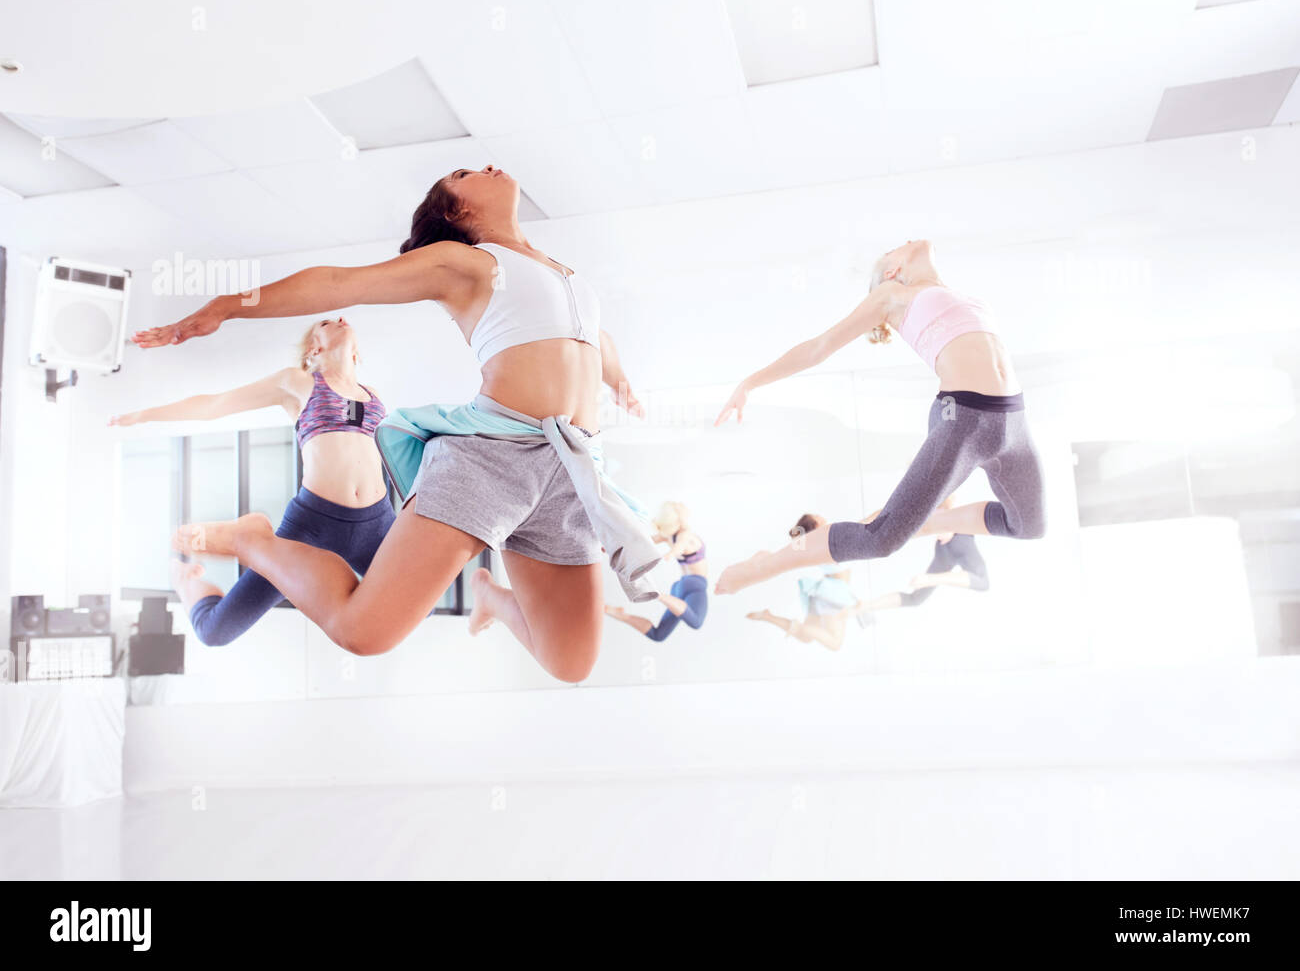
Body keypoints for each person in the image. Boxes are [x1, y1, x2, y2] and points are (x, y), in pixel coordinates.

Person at [133, 164, 657, 683]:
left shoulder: (561, 272)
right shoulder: (466, 263)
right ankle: (253, 542)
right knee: (364, 632)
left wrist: (618, 377)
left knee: (571, 662)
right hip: (492, 457)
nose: (487, 166)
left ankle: (492, 599)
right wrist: (228, 306)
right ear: (458, 210)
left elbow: (591, 337)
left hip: (572, 466)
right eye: (464, 172)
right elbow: (339, 284)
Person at [714, 238, 1044, 595]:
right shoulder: (892, 295)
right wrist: (749, 383)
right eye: (893, 249)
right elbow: (818, 347)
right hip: (962, 419)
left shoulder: (955, 294)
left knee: (1029, 525)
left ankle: (931, 522)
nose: (900, 244)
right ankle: (767, 564)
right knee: (881, 539)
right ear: (892, 271)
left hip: (1014, 422)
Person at [110, 317, 393, 646]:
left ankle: (272, 555)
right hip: (312, 527)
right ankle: (187, 578)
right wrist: (144, 416)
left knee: (417, 607)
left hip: (376, 522)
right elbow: (216, 404)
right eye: (327, 322)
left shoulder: (373, 395)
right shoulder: (299, 382)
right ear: (314, 346)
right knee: (214, 631)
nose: (341, 319)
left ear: (356, 352)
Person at [745, 514, 872, 651]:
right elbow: (862, 524)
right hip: (833, 594)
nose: (824, 517)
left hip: (823, 592)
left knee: (806, 637)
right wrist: (883, 511)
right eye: (819, 517)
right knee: (834, 643)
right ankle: (801, 627)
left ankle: (768, 616)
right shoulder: (830, 543)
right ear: (817, 524)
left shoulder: (815, 549)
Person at [604, 501, 709, 642]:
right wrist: (669, 555)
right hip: (695, 585)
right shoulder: (685, 535)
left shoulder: (669, 536)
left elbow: (643, 542)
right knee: (696, 622)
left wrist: (613, 547)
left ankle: (618, 614)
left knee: (658, 635)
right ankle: (657, 594)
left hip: (679, 587)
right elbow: (680, 546)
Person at [864, 498, 990, 612]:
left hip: (951, 541)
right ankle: (865, 606)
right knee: (916, 598)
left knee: (916, 599)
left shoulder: (955, 539)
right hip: (952, 541)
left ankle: (865, 606)